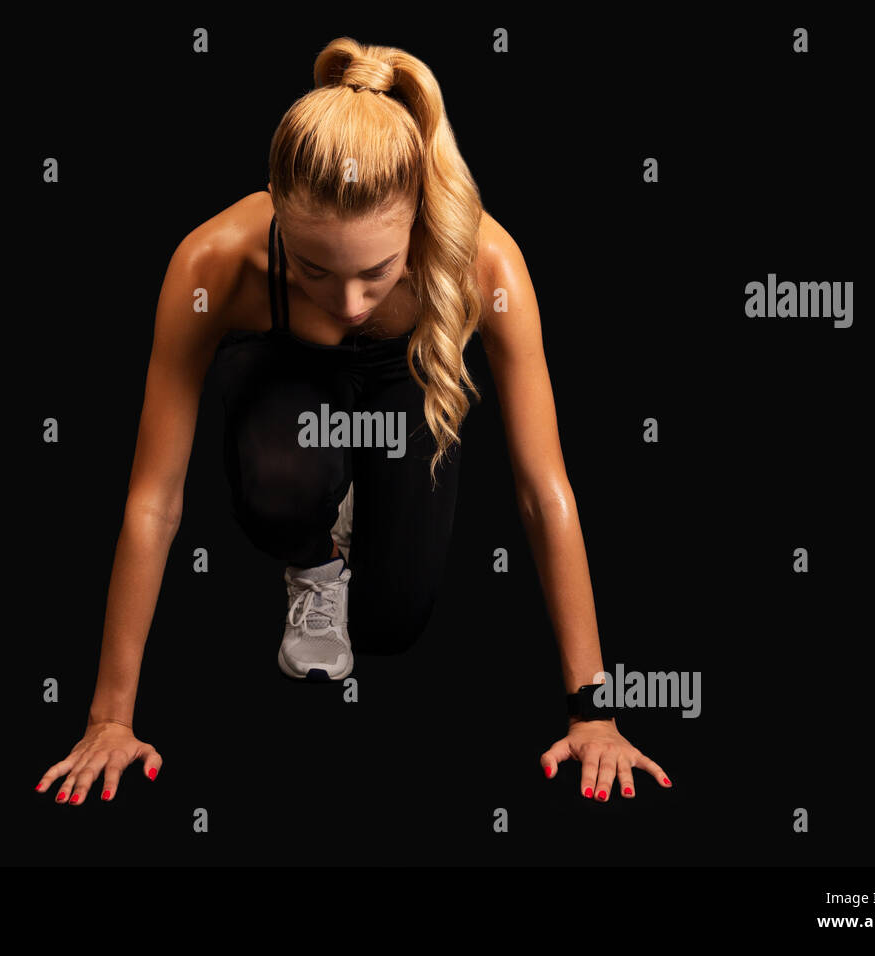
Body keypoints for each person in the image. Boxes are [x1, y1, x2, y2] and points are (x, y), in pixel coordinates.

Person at [35, 37, 673, 809]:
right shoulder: (212, 264)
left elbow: (545, 490)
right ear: (274, 202)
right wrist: (110, 717)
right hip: (283, 390)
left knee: (392, 624)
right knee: (282, 475)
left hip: (402, 389)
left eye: (377, 272)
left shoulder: (486, 263)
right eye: (312, 271)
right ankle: (312, 548)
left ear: (414, 221)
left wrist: (593, 711)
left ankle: (356, 517)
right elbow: (152, 499)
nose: (347, 304)